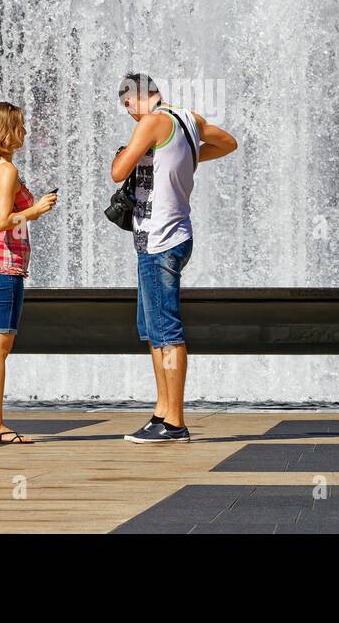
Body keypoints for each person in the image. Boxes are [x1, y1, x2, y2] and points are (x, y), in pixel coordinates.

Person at [111, 73, 237, 443]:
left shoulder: (151, 122)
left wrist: (126, 151)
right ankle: (161, 413)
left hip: (160, 241)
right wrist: (186, 154)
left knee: (166, 332)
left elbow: (118, 171)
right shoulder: (189, 118)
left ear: (134, 100)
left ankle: (175, 422)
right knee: (153, 332)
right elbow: (228, 143)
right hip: (172, 236)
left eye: (127, 107)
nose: (130, 114)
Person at [0, 102, 58, 444]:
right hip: (3, 269)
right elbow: (4, 221)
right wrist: (35, 210)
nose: (25, 132)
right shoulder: (6, 172)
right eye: (20, 127)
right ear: (6, 131)